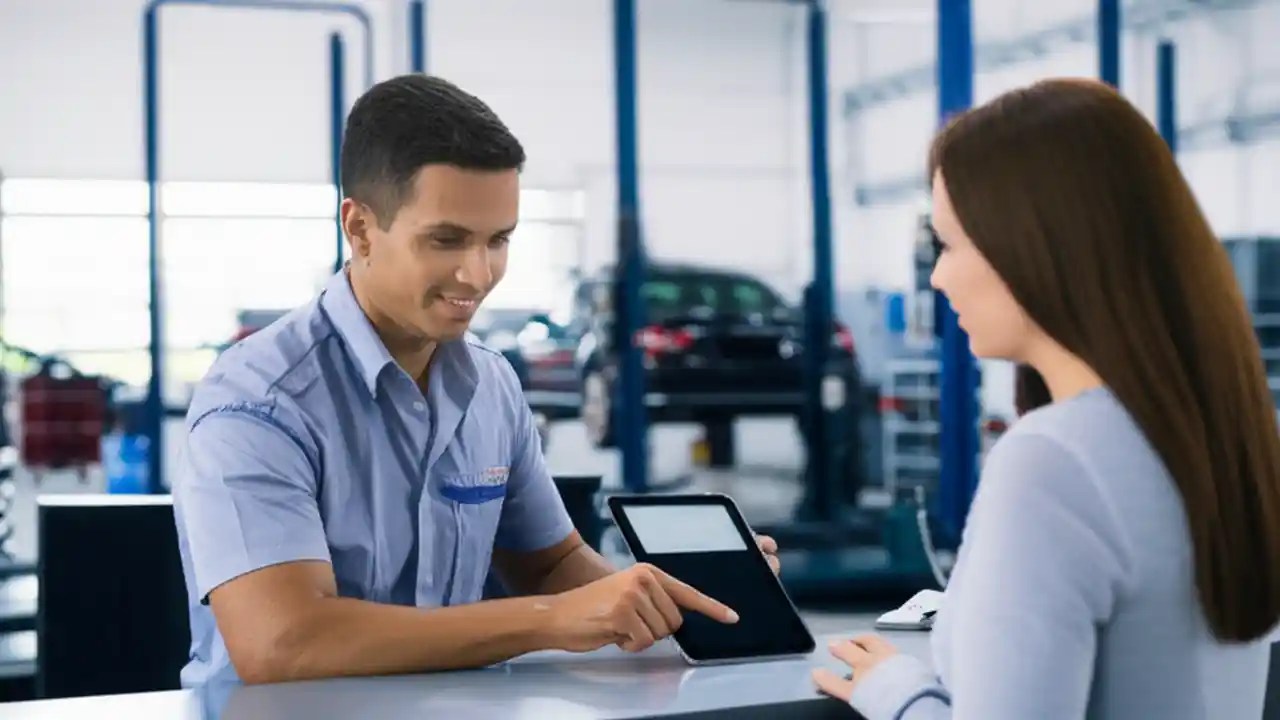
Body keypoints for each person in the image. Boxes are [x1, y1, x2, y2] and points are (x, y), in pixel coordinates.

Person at [172, 73, 780, 686]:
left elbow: (551, 566)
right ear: (359, 229)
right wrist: (549, 619)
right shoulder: (259, 401)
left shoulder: (490, 385)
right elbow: (283, 644)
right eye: (446, 240)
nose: (477, 274)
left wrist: (674, 597)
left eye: (499, 240)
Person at [813, 78, 1280, 718]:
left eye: (949, 244)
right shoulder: (1219, 436)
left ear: (1035, 247)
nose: (941, 277)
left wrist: (894, 692)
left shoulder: (1055, 462)